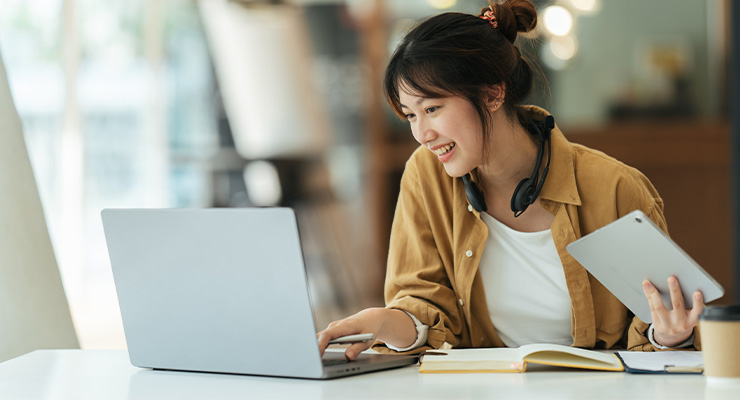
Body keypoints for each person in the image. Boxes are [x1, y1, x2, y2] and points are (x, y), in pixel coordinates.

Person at [317, 0, 704, 360]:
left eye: (432, 108)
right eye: (411, 115)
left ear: (492, 94)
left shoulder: (615, 188)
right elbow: (424, 307)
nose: (422, 134)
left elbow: (659, 323)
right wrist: (385, 322)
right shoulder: (426, 175)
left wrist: (669, 334)